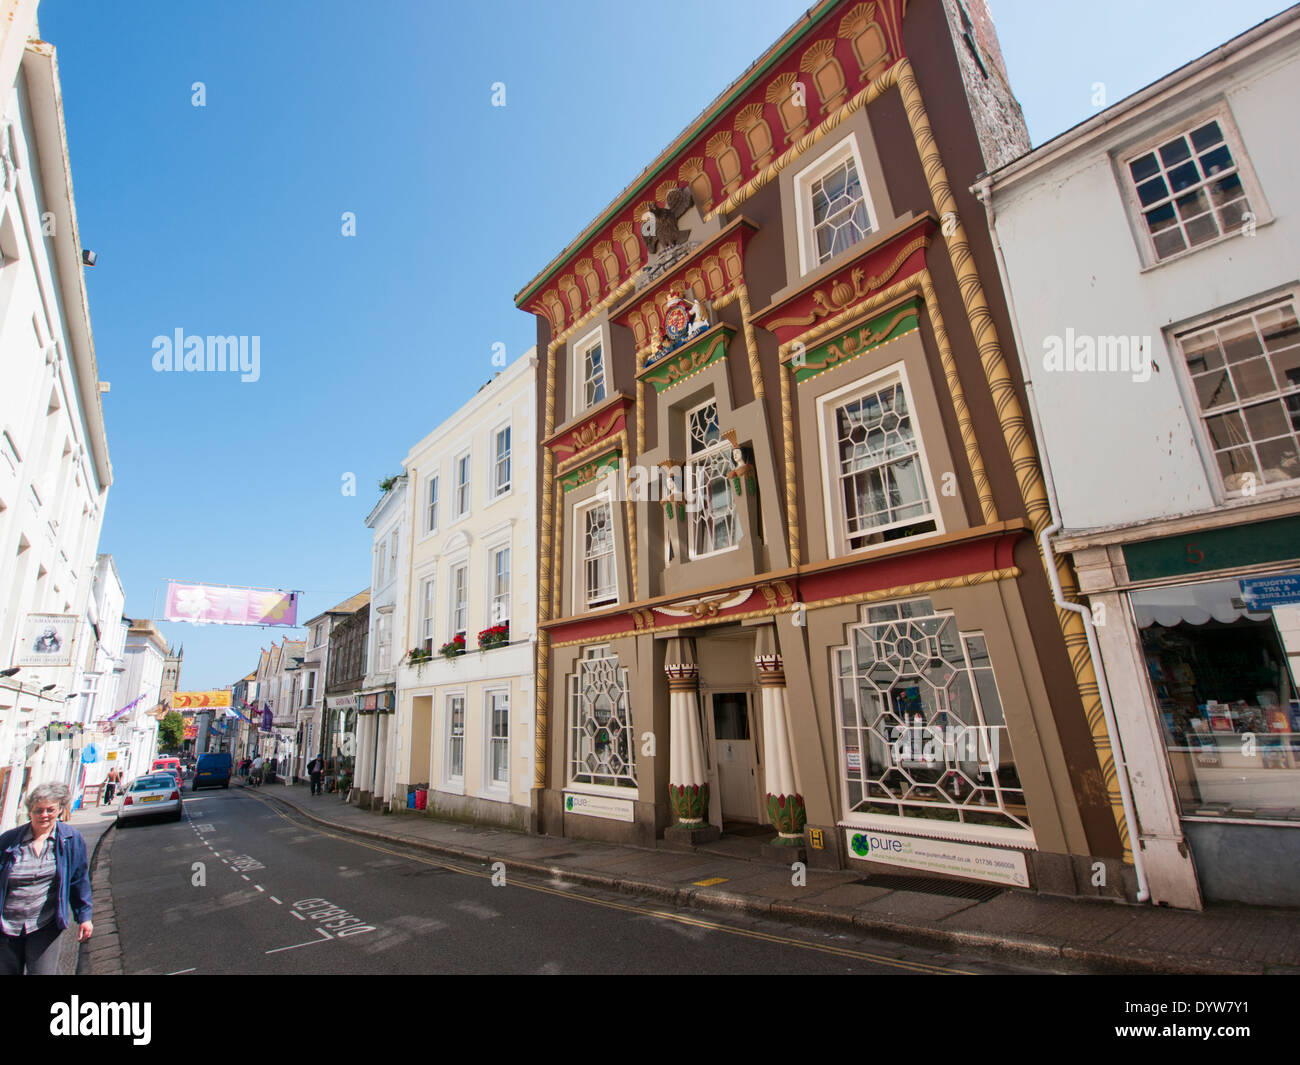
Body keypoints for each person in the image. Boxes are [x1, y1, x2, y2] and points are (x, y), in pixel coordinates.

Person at [0, 783, 93, 975]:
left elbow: (78, 880)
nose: (44, 815)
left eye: (50, 810)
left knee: (43, 972)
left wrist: (84, 916)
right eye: (38, 810)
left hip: (45, 923)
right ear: (30, 812)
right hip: (6, 925)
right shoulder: (8, 841)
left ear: (59, 810)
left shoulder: (70, 839)